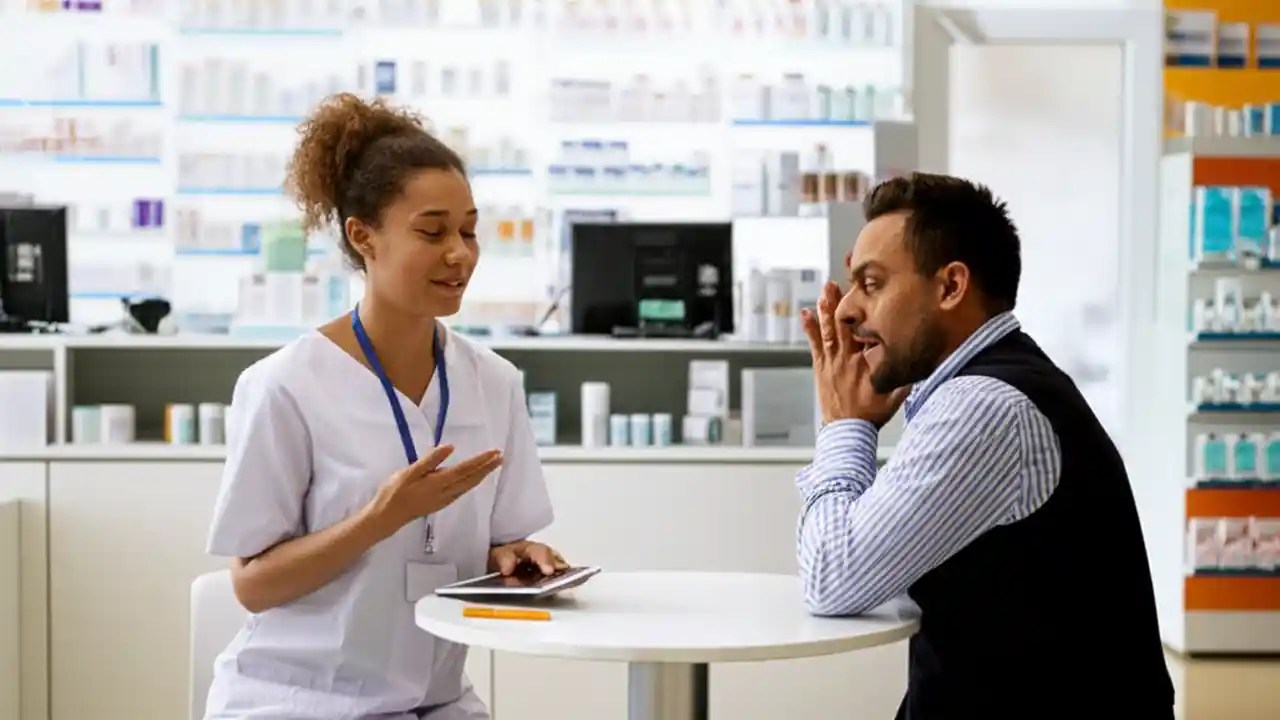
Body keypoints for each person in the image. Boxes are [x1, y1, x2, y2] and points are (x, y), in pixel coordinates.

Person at [203, 93, 566, 720]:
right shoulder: (286, 385)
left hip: (438, 702)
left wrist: (511, 557)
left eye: (469, 230)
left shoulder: (493, 383)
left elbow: (496, 542)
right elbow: (251, 584)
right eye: (432, 231)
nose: (459, 253)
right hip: (304, 702)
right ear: (362, 235)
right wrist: (380, 517)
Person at [796, 173, 1173, 719]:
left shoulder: (983, 407)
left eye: (872, 283)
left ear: (951, 286)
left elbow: (833, 576)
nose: (848, 309)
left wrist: (843, 426)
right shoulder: (989, 385)